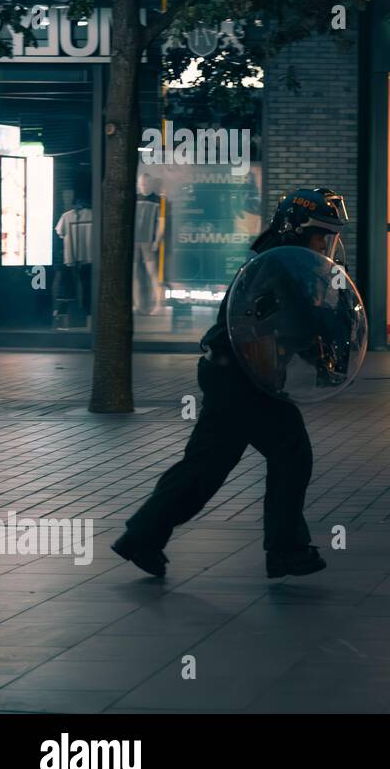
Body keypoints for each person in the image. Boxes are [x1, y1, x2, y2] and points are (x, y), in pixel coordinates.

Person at [111, 188, 350, 579]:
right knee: (290, 450)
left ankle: (142, 535)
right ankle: (285, 549)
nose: (327, 243)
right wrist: (326, 335)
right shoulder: (277, 267)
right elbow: (295, 322)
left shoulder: (283, 263)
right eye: (322, 234)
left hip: (234, 373)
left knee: (206, 466)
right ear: (296, 230)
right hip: (241, 377)